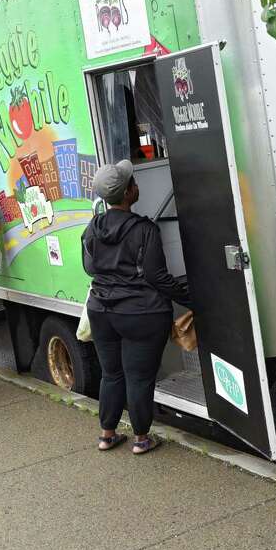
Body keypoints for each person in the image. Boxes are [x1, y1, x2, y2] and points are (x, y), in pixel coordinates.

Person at [82, 160, 190, 454]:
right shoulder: (145, 230)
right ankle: (141, 439)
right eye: (133, 182)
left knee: (111, 374)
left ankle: (107, 435)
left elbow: (90, 269)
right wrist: (190, 299)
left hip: (101, 310)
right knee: (139, 377)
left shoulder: (92, 228)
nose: (137, 185)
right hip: (142, 313)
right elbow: (157, 277)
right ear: (128, 193)